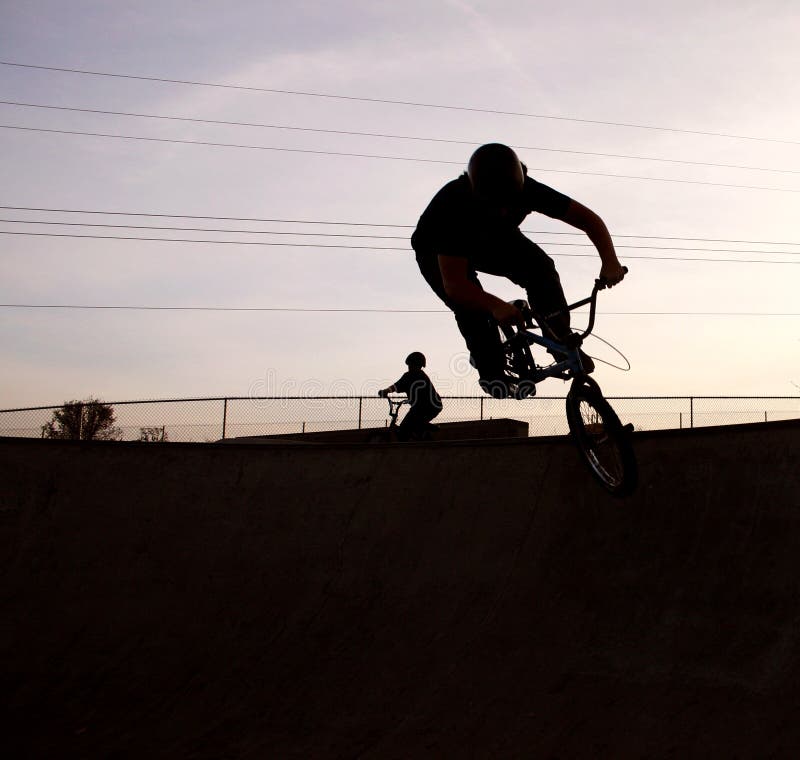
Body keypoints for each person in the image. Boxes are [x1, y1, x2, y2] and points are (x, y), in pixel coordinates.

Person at [410, 142, 627, 397]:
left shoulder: (529, 190)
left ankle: (559, 339)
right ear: (476, 193)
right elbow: (456, 285)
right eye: (493, 205)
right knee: (473, 309)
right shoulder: (453, 205)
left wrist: (609, 260)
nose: (502, 210)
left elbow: (588, 220)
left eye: (508, 204)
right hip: (437, 251)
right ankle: (490, 371)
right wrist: (495, 304)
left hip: (496, 238)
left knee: (541, 269)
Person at [378, 352, 442, 441]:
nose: (409, 368)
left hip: (427, 406)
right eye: (409, 365)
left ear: (418, 365)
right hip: (432, 406)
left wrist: (386, 391)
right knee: (413, 425)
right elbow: (398, 386)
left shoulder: (415, 376)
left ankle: (411, 440)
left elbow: (396, 386)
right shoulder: (415, 376)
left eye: (411, 365)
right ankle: (423, 431)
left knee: (405, 427)